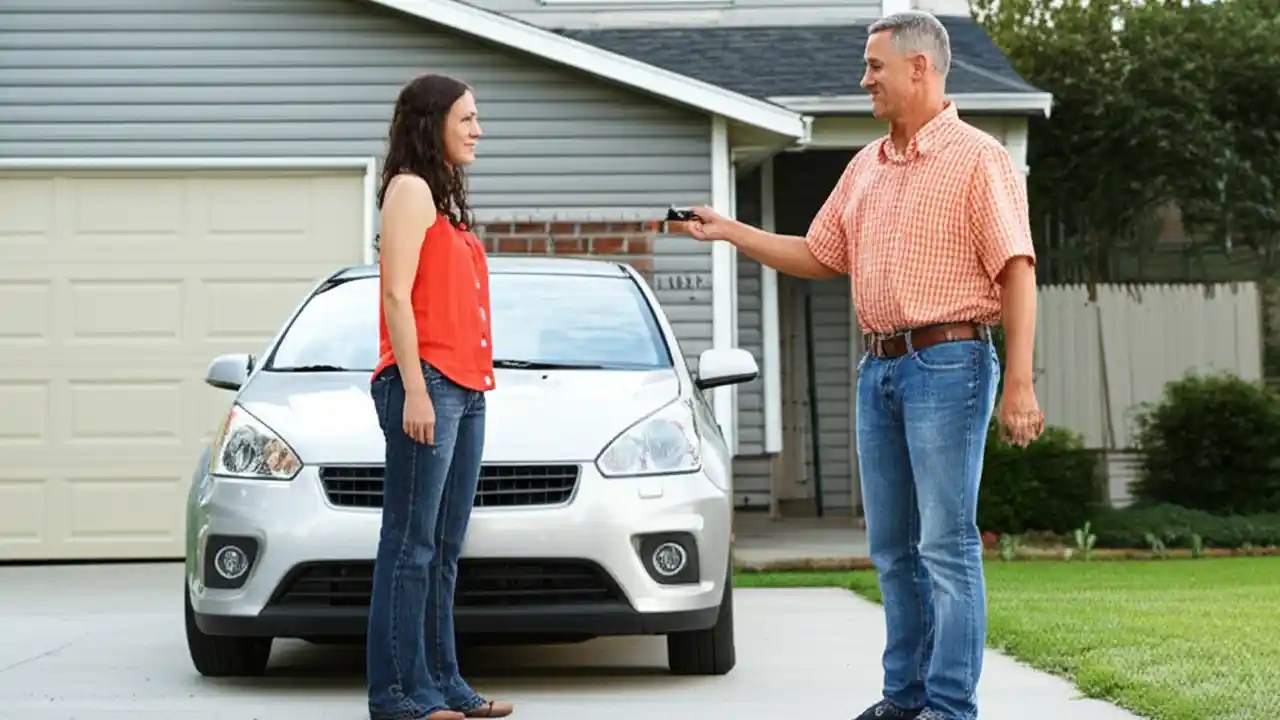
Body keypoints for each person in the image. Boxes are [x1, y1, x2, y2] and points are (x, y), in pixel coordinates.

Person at [673, 11, 1044, 720]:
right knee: (892, 551)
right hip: (880, 372)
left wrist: (1019, 381)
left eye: (875, 66)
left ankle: (949, 705)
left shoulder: (978, 158)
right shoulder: (865, 166)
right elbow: (821, 254)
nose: (864, 78)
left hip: (950, 362)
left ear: (919, 69)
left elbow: (1017, 268)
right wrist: (728, 232)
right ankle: (903, 700)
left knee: (945, 544)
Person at [366, 73, 513, 720]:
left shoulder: (442, 200)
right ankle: (397, 693)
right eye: (468, 119)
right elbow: (395, 295)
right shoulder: (408, 191)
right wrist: (418, 389)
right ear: (432, 123)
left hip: (466, 387)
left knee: (445, 547)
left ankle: (445, 683)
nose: (479, 130)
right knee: (409, 544)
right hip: (423, 384)